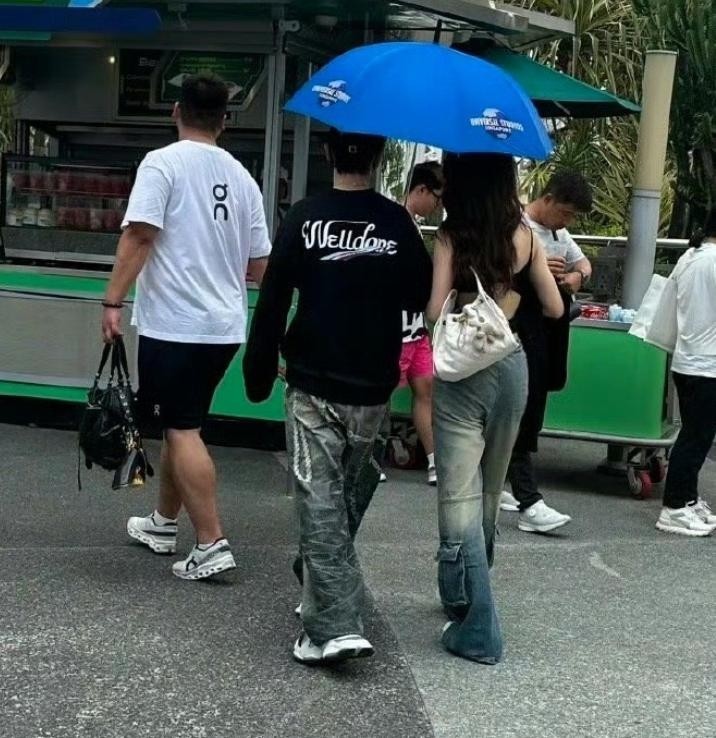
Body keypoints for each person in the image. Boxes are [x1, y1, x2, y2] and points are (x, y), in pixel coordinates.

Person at [243, 129, 432, 665]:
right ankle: (321, 583)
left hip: (313, 376)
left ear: (327, 153)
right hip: (374, 380)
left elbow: (273, 300)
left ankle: (334, 627)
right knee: (342, 489)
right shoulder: (398, 223)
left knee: (323, 494)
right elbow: (418, 296)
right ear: (380, 155)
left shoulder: (304, 217)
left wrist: (259, 368)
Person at [101, 73, 271, 579]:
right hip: (223, 327)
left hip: (175, 324)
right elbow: (260, 263)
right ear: (225, 121)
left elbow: (139, 236)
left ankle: (211, 543)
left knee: (181, 428)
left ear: (176, 111)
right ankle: (162, 523)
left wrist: (112, 300)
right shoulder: (243, 178)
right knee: (184, 422)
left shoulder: (162, 163)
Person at [426, 153, 563, 664]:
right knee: (488, 491)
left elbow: (434, 311)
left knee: (458, 496)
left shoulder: (451, 235)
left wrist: (464, 299)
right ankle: (462, 596)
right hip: (512, 366)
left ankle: (479, 626)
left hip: (463, 372)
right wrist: (512, 297)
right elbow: (554, 307)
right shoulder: (525, 235)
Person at [500, 170, 593, 533]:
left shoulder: (558, 234)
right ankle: (528, 499)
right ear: (548, 198)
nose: (567, 221)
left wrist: (575, 276)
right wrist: (536, 268)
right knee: (522, 409)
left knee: (526, 405)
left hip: (545, 330)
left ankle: (498, 480)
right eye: (565, 213)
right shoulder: (517, 227)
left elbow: (583, 263)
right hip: (520, 327)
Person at [655, 209, 716, 536]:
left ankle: (688, 499)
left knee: (695, 434)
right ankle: (675, 507)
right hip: (707, 365)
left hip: (689, 360)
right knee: (695, 438)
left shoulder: (692, 256)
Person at [399, 162, 443, 485]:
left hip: (417, 327)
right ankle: (367, 456)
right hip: (397, 326)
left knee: (425, 388)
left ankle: (433, 460)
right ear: (422, 190)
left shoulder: (411, 224)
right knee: (382, 393)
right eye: (437, 199)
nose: (437, 206)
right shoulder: (396, 222)